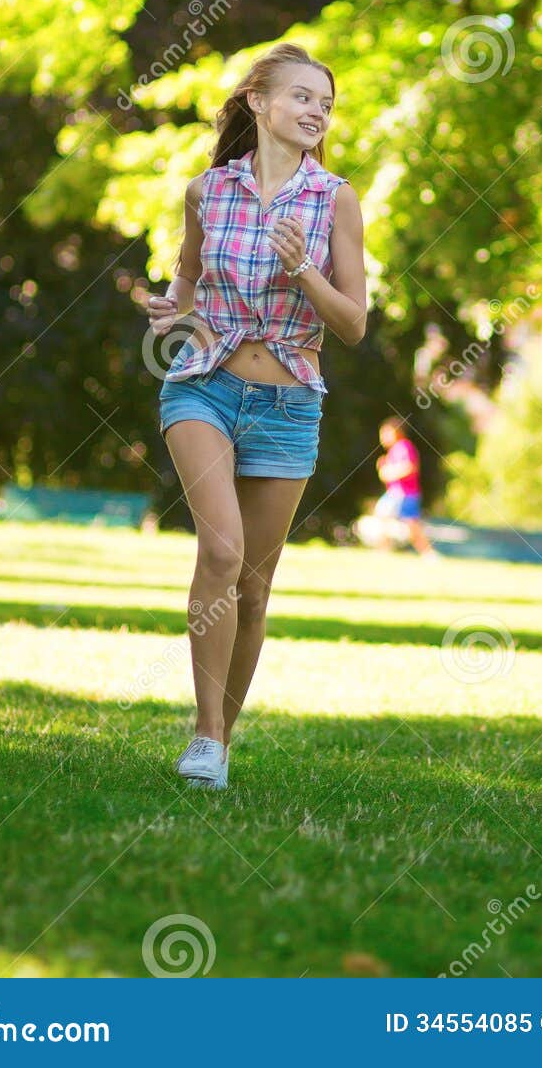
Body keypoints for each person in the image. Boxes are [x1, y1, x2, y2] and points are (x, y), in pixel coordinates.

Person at [146, 43, 367, 789]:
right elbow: (186, 274)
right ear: (257, 103)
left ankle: (222, 739)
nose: (316, 112)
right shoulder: (207, 191)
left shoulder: (334, 198)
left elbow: (353, 325)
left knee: (254, 587)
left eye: (325, 104)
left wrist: (303, 267)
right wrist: (167, 309)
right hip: (201, 387)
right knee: (221, 553)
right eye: (302, 97)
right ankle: (203, 738)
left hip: (288, 402)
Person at [355, 417, 438, 558]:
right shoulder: (394, 451)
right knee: (382, 517)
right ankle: (384, 550)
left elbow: (410, 467)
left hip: (406, 494)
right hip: (395, 493)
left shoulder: (403, 446)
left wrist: (388, 471)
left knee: (412, 526)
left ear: (397, 431)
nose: (383, 437)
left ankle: (428, 553)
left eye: (386, 433)